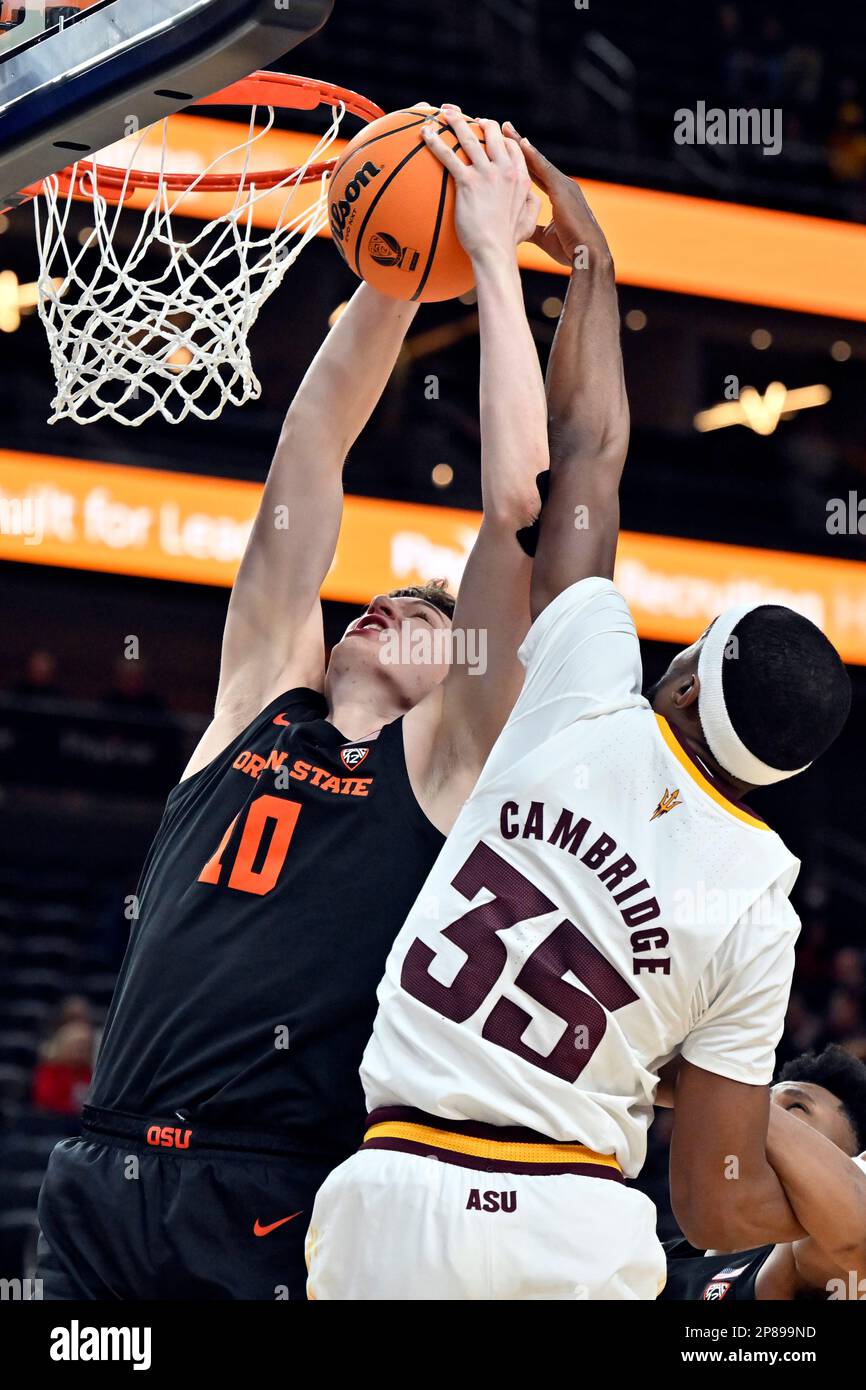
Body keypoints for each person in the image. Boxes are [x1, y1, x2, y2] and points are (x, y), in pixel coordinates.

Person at [305, 129, 852, 1301]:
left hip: (385, 1195)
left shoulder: (586, 683)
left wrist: (588, 259)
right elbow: (712, 1206)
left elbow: (586, 453)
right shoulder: (759, 901)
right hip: (564, 1224)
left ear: (687, 678)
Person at [35, 106, 547, 1301]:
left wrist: (487, 260)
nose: (386, 609)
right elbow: (312, 442)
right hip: (104, 1176)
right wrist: (394, 270)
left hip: (264, 1200)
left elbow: (518, 508)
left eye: (425, 617)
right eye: (379, 599)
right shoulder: (257, 700)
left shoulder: (441, 767)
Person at [662, 1046, 866, 1299]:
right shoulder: (650, 1254)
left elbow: (855, 1236)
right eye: (765, 1100)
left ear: (847, 1161)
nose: (763, 1110)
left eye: (795, 1108)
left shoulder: (801, 1263)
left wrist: (703, 1091)